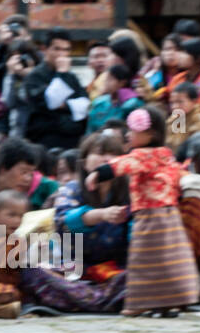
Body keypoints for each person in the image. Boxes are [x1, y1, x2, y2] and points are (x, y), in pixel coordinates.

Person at [86, 106, 200, 317]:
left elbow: (123, 164)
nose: (128, 134)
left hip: (150, 217)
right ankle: (169, 301)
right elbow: (178, 173)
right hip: (170, 215)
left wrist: (97, 174)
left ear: (152, 134)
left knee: (143, 260)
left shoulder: (142, 155)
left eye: (134, 130)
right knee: (169, 260)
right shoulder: (166, 155)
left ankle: (140, 302)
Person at [23, 134, 130, 313]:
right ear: (84, 162)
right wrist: (100, 215)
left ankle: (87, 301)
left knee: (142, 274)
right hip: (74, 270)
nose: (106, 158)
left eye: (113, 153)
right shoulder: (71, 189)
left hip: (115, 272)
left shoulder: (130, 192)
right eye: (100, 153)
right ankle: (105, 301)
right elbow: (63, 221)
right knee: (30, 269)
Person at [23, 29, 89, 150]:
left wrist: (66, 106)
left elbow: (84, 105)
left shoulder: (72, 77)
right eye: (57, 49)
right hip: (44, 141)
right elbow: (51, 102)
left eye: (66, 50)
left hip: (72, 140)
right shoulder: (34, 76)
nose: (62, 54)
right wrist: (61, 74)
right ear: (45, 49)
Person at [0, 137, 58, 209]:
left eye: (31, 174)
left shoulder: (48, 188)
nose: (28, 179)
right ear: (3, 168)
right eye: (24, 172)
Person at [87, 64, 142, 133]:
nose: (106, 82)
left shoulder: (132, 103)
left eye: (110, 79)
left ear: (122, 83)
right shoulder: (99, 102)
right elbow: (90, 129)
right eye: (106, 79)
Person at [165, 82, 200, 153]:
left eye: (180, 102)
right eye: (172, 102)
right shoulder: (176, 118)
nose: (174, 106)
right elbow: (172, 144)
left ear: (194, 101)